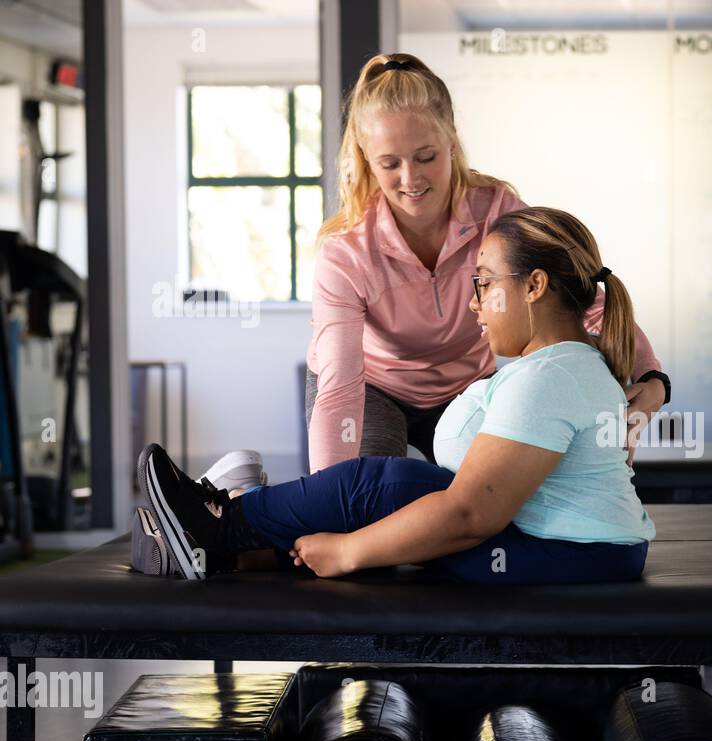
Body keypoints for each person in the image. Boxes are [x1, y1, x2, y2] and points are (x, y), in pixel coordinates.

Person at [139, 206, 655, 585]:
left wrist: (348, 552)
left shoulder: (553, 376)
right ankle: (228, 544)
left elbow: (470, 516)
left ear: (535, 285)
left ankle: (222, 524)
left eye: (484, 283)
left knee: (381, 486)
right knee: (396, 487)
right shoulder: (560, 366)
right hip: (579, 552)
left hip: (572, 558)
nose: (475, 305)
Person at [305, 52, 670, 474]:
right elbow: (339, 390)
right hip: (370, 386)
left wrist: (652, 378)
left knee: (493, 500)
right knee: (367, 494)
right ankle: (242, 498)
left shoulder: (496, 211)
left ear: (452, 142)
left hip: (467, 385)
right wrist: (330, 504)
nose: (411, 179)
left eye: (427, 156)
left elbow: (576, 297)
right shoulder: (345, 250)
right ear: (367, 158)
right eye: (390, 163)